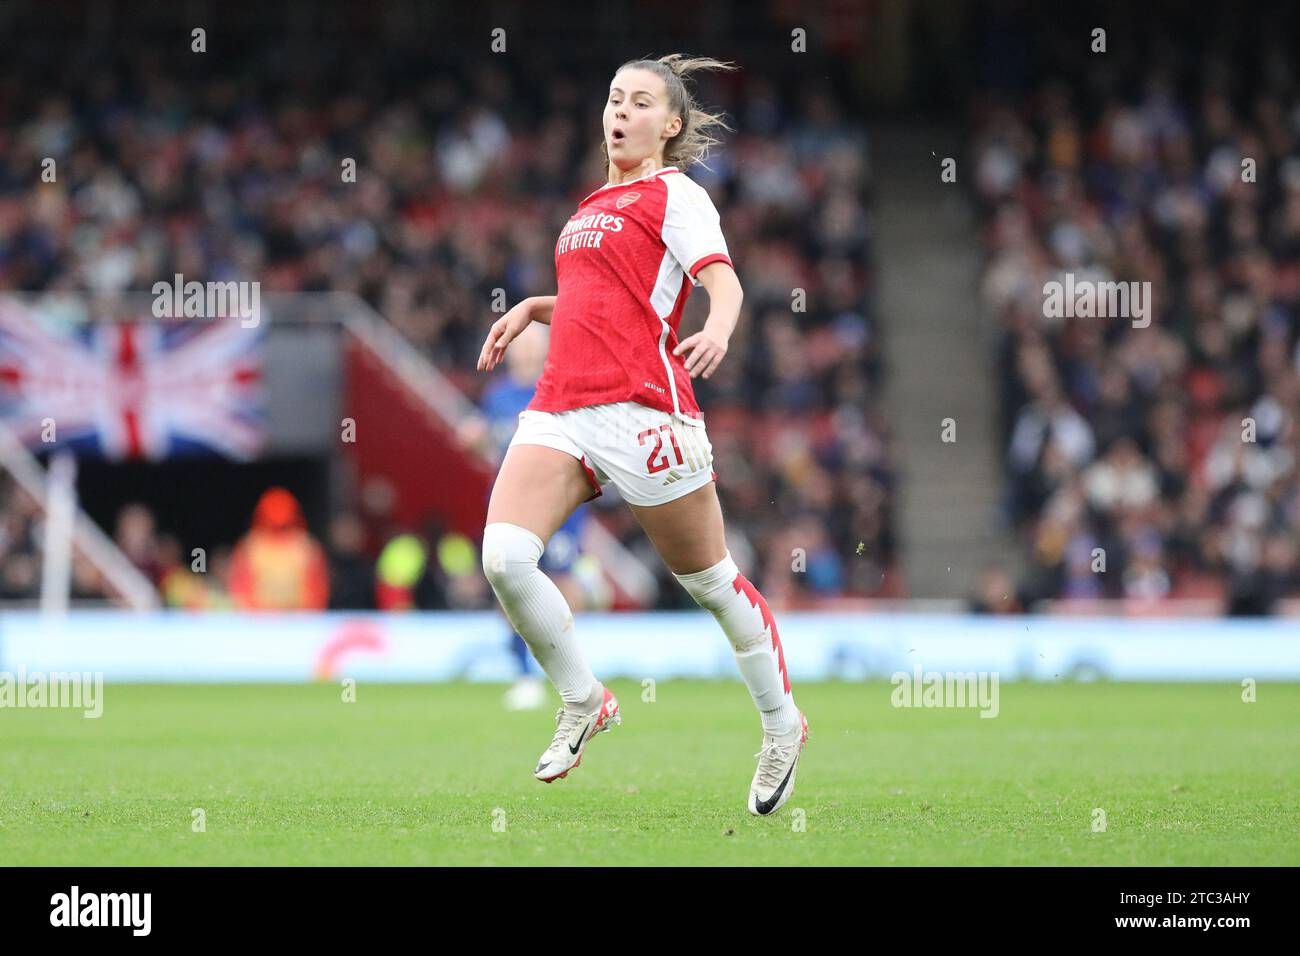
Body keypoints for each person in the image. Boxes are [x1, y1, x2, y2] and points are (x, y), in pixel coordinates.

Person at [475, 54, 807, 816]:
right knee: (504, 557)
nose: (619, 111)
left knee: (711, 585)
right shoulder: (594, 202)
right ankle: (584, 698)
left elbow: (723, 282)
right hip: (562, 407)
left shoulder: (676, 197)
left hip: (646, 410)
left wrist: (718, 330)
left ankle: (782, 723)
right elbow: (605, 300)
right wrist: (535, 304)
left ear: (671, 123)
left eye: (639, 102)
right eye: (613, 97)